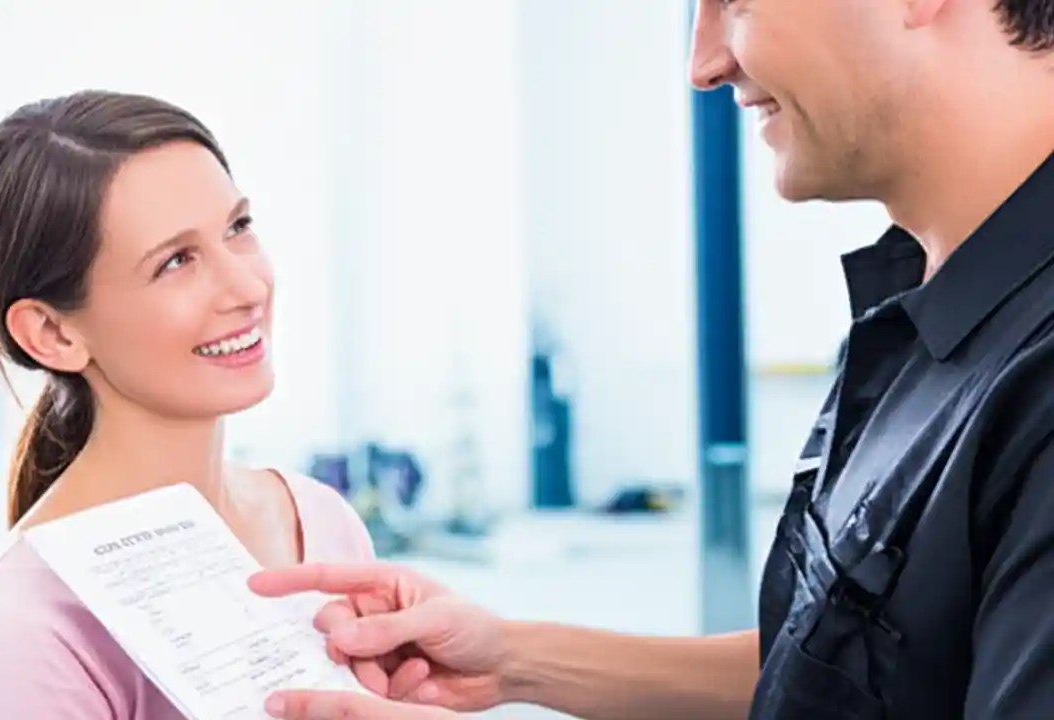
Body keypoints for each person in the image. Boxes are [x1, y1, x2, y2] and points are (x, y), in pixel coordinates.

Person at [248, 1, 1054, 718]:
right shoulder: (925, 315)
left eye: (732, 3)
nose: (705, 64)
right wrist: (516, 660)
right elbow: (856, 669)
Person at [0, 90, 375, 719]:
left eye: (238, 228)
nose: (248, 287)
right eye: (176, 261)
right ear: (53, 334)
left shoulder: (320, 520)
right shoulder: (27, 619)